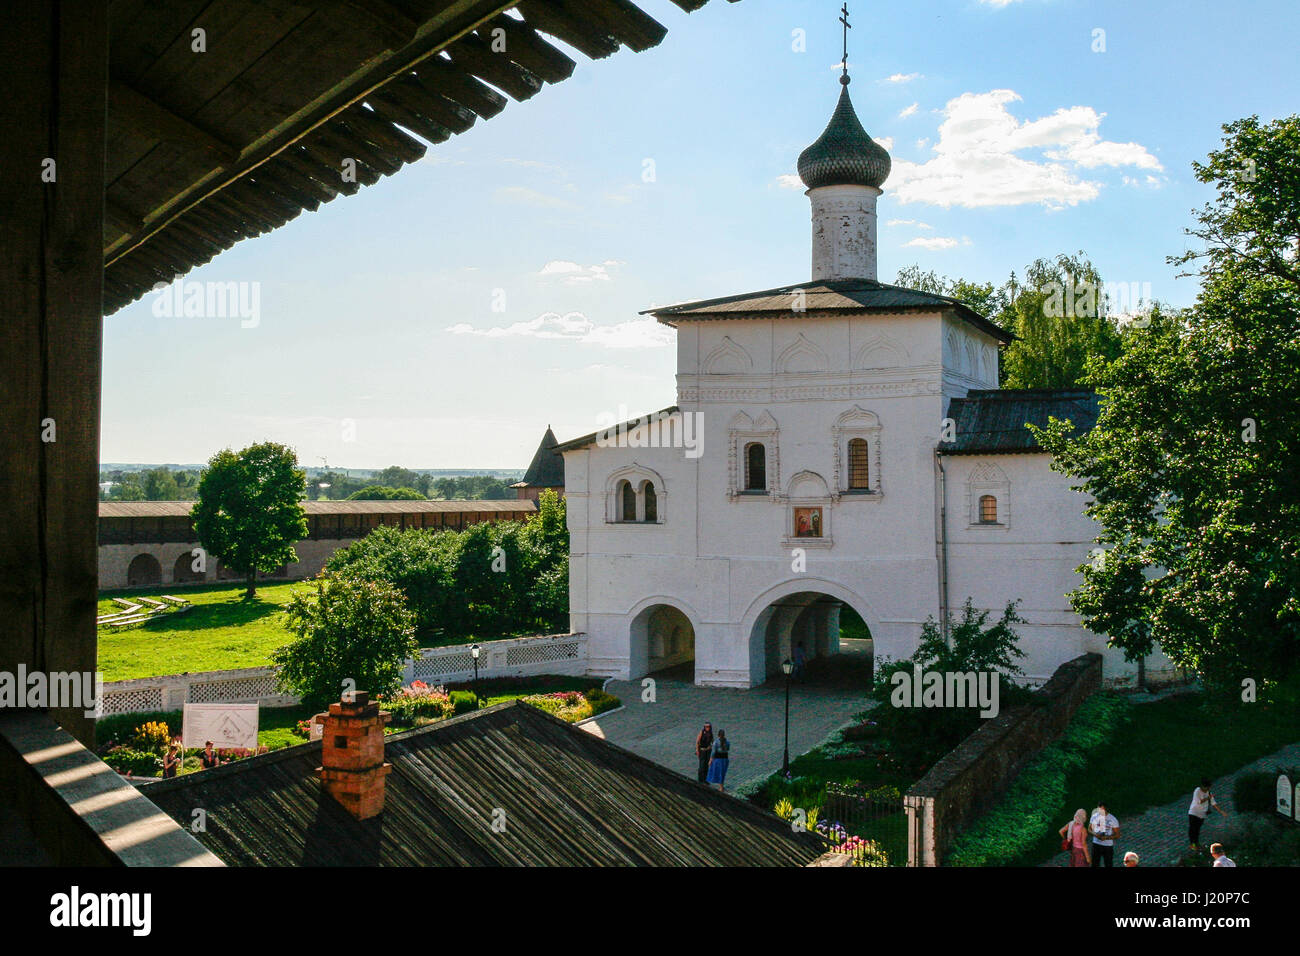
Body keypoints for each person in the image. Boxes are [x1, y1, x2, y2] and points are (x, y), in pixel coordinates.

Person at [1188, 777, 1228, 848]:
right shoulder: (1197, 791)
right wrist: (1208, 798)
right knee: (1192, 828)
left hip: (1202, 814)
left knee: (1197, 829)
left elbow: (1214, 803)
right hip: (1194, 812)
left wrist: (1221, 812)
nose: (1207, 789)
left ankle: (1196, 843)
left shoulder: (1209, 793)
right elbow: (1199, 801)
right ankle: (1192, 843)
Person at [1089, 802, 1120, 867]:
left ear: (1106, 810)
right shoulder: (1095, 816)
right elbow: (1089, 829)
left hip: (1107, 846)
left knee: (1108, 864)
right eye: (1098, 809)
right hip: (1096, 844)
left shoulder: (1113, 819)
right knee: (1094, 864)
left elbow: (1117, 835)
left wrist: (1106, 838)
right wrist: (1095, 834)